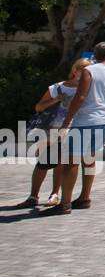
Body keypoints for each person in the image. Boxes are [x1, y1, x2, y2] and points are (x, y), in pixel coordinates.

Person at [41, 42, 105, 215]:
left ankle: (65, 203)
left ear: (95, 55)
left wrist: (66, 123)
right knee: (90, 159)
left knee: (70, 162)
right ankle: (85, 197)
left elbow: (80, 96)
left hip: (87, 119)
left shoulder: (91, 71)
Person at [21, 58, 91, 209]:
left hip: (73, 131)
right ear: (75, 70)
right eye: (82, 70)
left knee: (61, 163)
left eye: (88, 71)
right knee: (43, 163)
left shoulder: (88, 90)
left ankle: (54, 194)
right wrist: (56, 100)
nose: (84, 73)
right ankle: (33, 196)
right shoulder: (57, 88)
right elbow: (39, 107)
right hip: (51, 131)